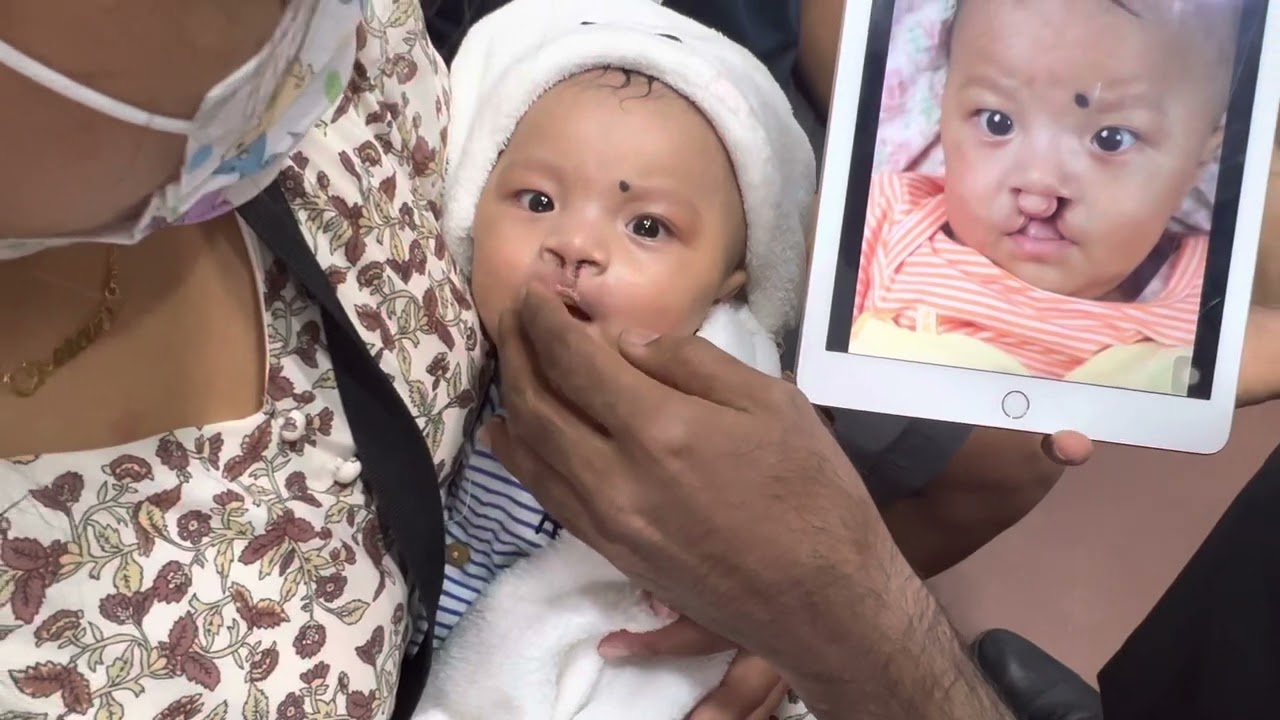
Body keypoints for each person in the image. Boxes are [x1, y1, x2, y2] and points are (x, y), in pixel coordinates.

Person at [419, 0, 815, 715]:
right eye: (537, 199)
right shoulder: (452, 359)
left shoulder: (705, 432)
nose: (575, 243)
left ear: (729, 288)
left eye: (646, 225)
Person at [849, 0, 1238, 393]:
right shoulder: (886, 220)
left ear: (1199, 161)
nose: (1039, 188)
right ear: (942, 106)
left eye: (1111, 139)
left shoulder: (1217, 296)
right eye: (996, 122)